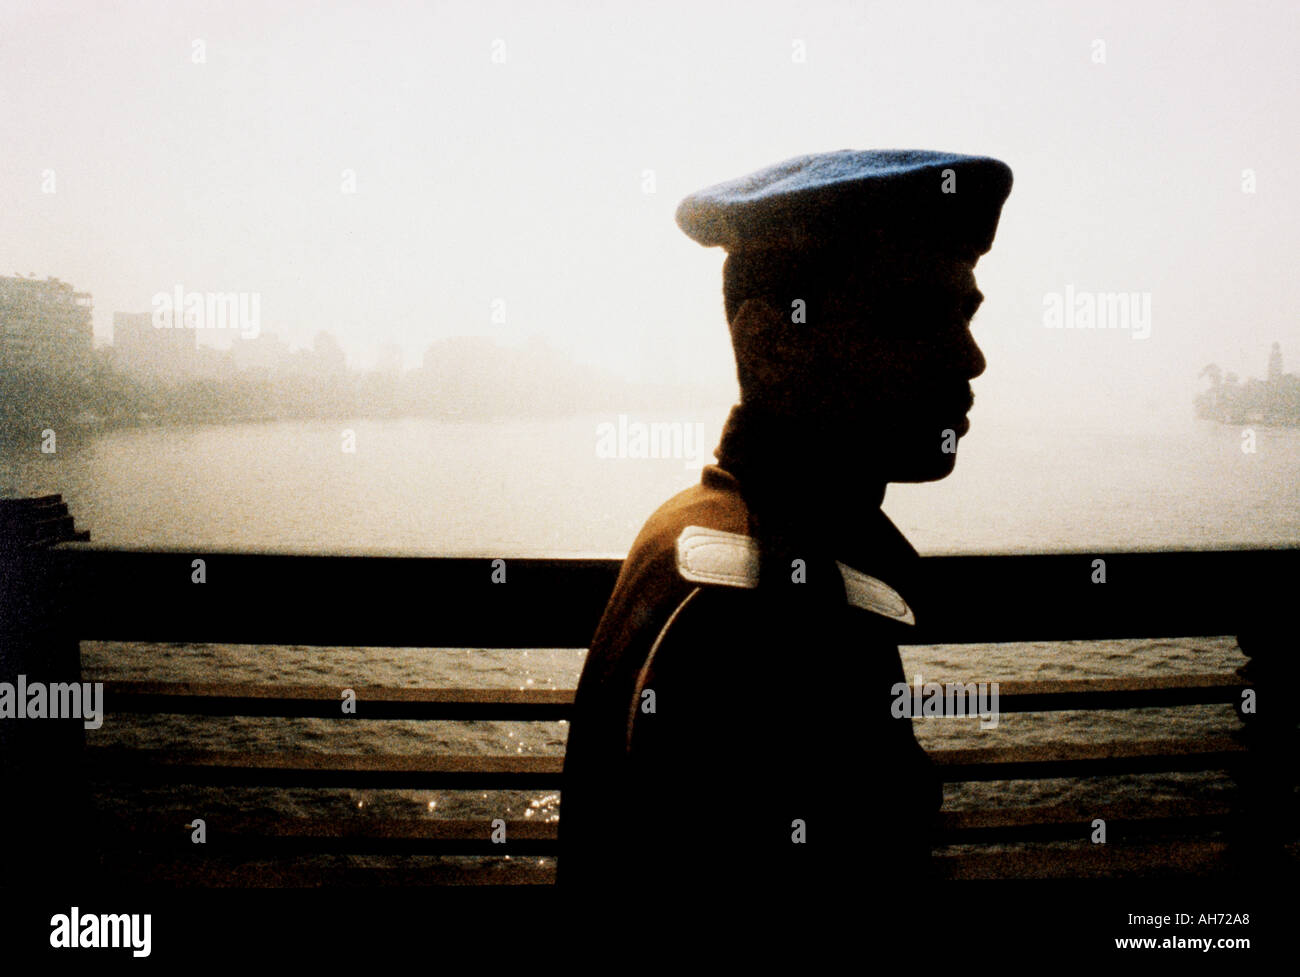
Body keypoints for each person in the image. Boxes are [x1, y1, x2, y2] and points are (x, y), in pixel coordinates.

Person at [559, 149, 1013, 893]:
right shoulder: (772, 619)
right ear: (772, 343)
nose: (971, 358)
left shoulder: (702, 525)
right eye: (916, 318)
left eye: (963, 315)